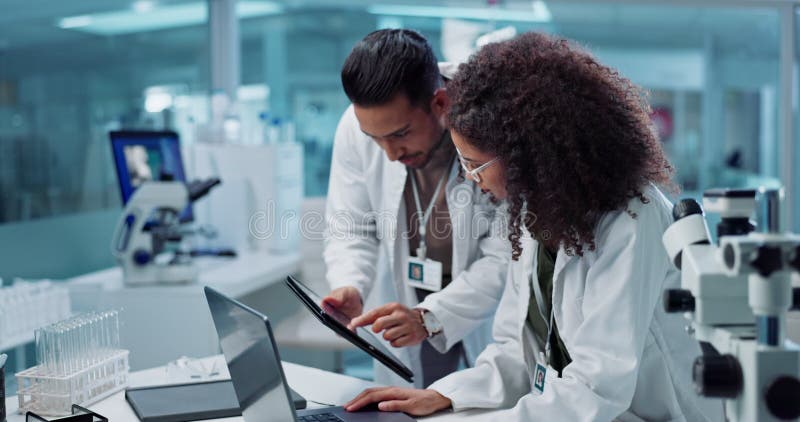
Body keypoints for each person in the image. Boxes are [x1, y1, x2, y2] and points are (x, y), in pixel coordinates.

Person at [343, 32, 725, 421]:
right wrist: (445, 395)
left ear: (527, 153)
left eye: (475, 164)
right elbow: (516, 349)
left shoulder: (629, 220)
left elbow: (596, 388)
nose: (470, 177)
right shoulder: (536, 213)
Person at [322, 29, 509, 388]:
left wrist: (433, 317)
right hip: (401, 302)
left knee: (480, 402)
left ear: (441, 104)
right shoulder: (357, 125)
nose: (390, 153)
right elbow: (351, 226)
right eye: (374, 139)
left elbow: (505, 255)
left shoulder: (492, 129)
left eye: (400, 134)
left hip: (480, 308)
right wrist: (350, 283)